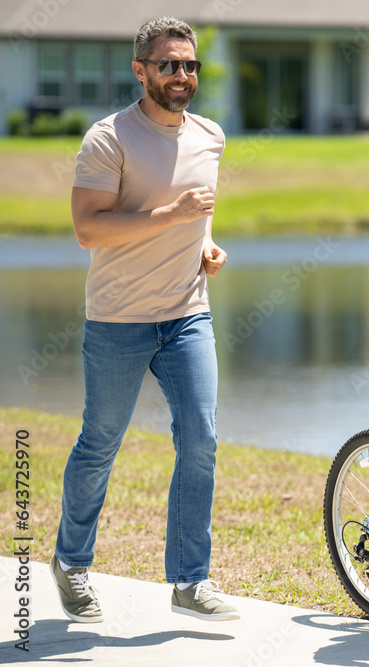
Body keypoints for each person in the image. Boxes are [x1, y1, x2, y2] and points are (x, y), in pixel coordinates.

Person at [50, 17, 238, 623]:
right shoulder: (109, 139)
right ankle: (71, 563)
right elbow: (89, 229)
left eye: (190, 65)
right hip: (118, 319)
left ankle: (190, 582)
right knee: (100, 443)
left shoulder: (210, 135)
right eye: (169, 65)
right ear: (141, 70)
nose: (182, 76)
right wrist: (171, 215)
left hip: (187, 315)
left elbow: (198, 210)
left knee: (201, 441)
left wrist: (205, 242)